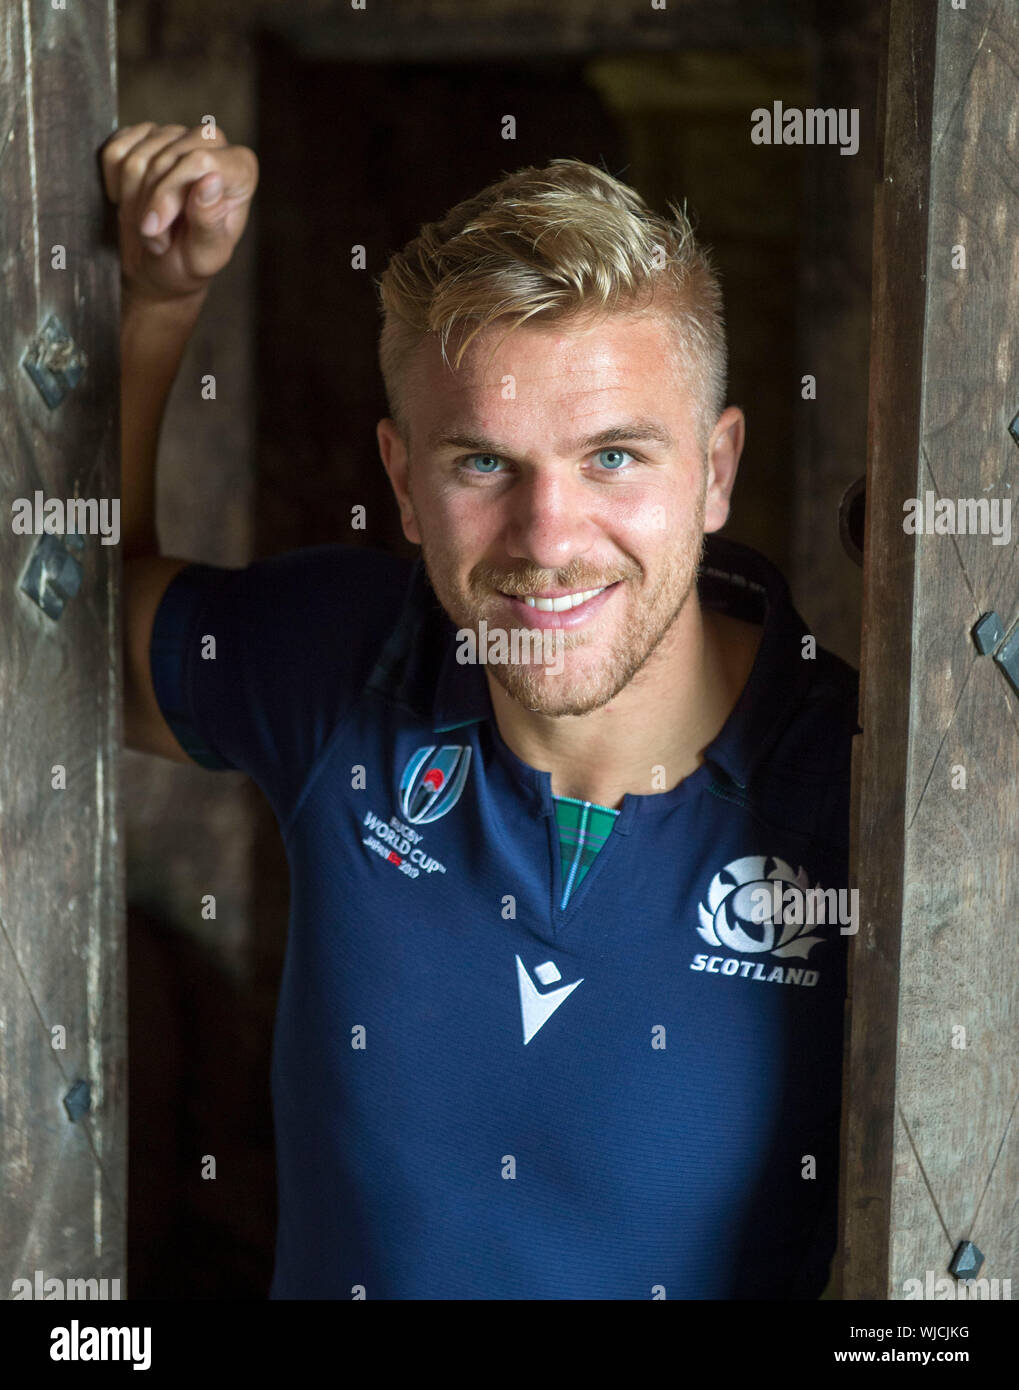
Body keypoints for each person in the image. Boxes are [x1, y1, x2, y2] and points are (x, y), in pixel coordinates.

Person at [105, 122, 859, 1299]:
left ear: (715, 470)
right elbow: (71, 644)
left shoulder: (868, 786)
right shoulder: (346, 661)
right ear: (402, 481)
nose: (548, 541)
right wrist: (159, 303)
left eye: (613, 457)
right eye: (482, 465)